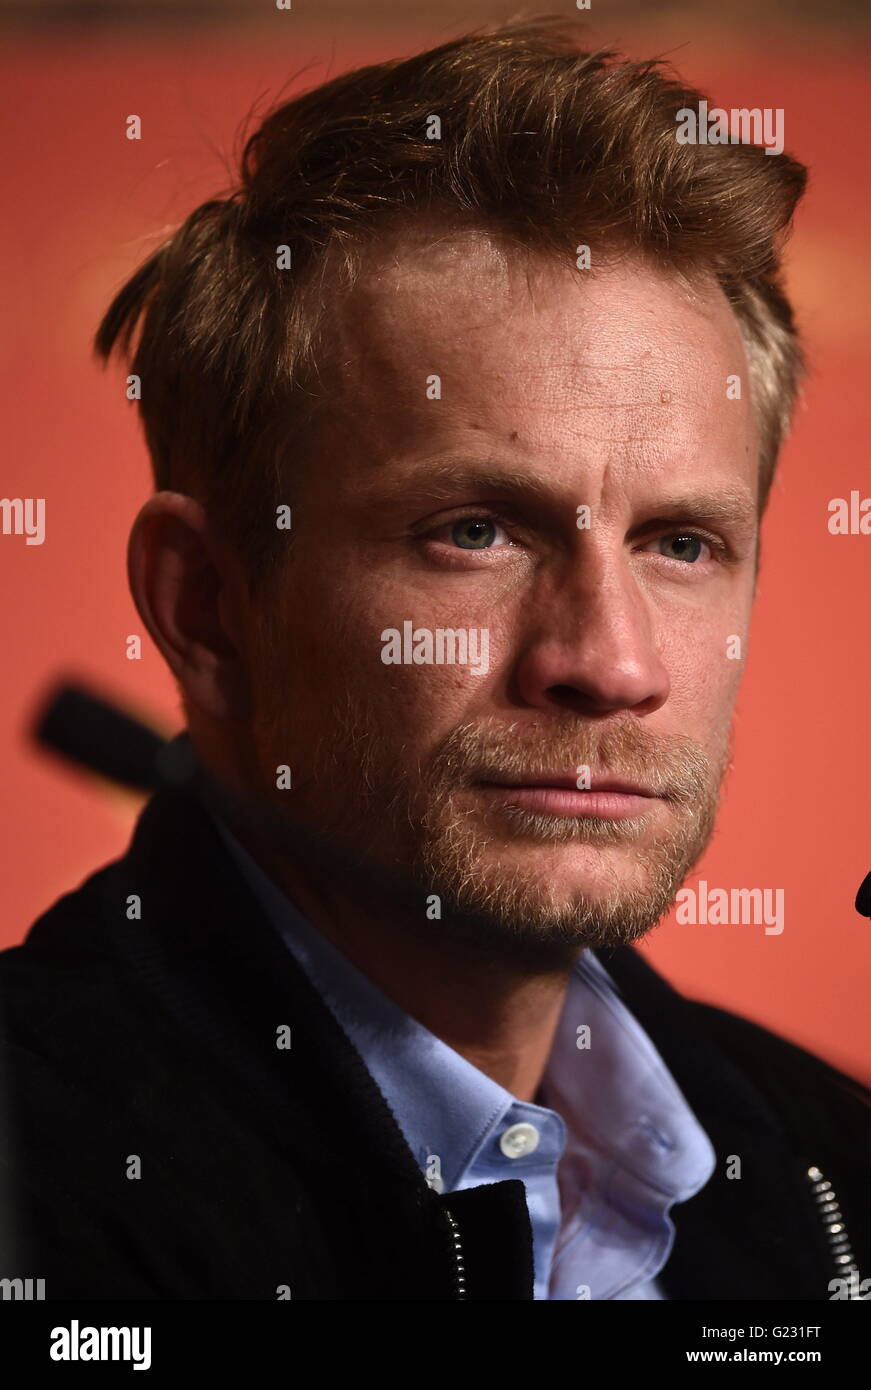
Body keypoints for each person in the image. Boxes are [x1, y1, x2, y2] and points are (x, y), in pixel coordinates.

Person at [1, 16, 868, 1301]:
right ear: (208, 607)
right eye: (474, 531)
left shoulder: (834, 1160)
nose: (611, 665)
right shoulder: (44, 1191)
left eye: (680, 544)